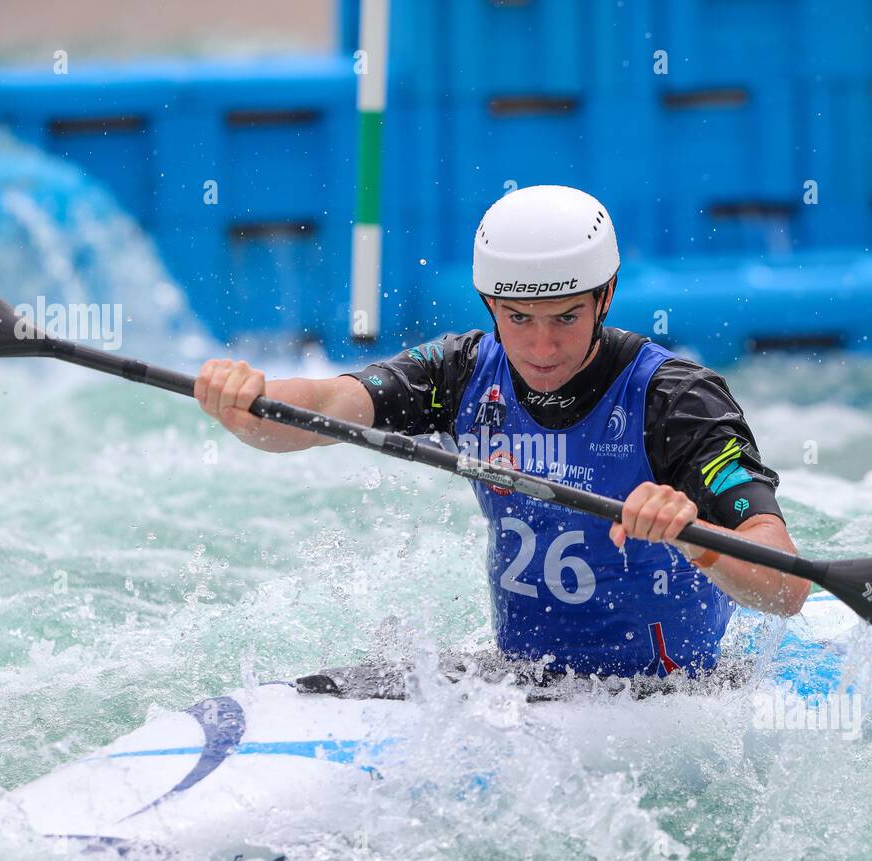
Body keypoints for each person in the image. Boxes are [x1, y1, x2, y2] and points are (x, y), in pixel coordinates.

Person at [195, 185, 808, 696]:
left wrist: (695, 542)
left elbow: (787, 586)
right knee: (317, 691)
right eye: (518, 319)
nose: (542, 349)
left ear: (606, 297)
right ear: (490, 303)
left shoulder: (677, 401)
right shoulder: (459, 372)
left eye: (566, 317)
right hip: (523, 682)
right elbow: (327, 406)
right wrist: (248, 403)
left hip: (665, 694)